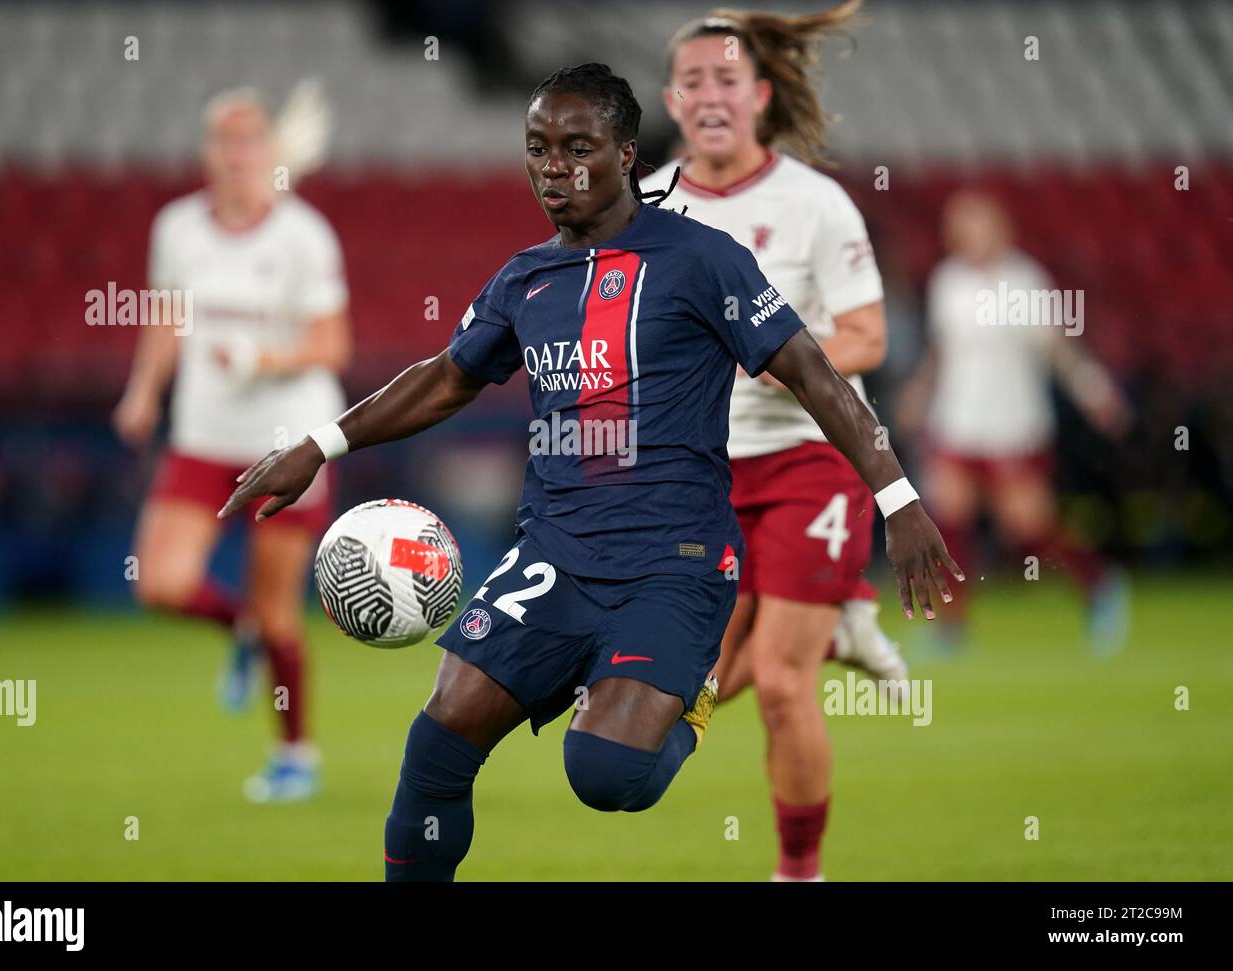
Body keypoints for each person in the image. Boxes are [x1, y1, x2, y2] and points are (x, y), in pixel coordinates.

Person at [219, 63, 960, 881]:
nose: (555, 167)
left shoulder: (701, 259)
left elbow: (818, 376)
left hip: (672, 567)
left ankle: (699, 687)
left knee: (605, 777)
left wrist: (899, 499)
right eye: (539, 148)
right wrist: (317, 446)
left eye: (579, 148)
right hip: (557, 555)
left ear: (628, 155)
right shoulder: (525, 277)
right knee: (440, 732)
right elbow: (444, 378)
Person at [644, 1, 902, 881]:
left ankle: (800, 872)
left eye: (728, 77)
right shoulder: (643, 207)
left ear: (758, 94)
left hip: (812, 458)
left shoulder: (815, 204)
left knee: (782, 688)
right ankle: (834, 618)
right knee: (699, 678)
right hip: (698, 474)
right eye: (694, 80)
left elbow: (868, 336)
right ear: (672, 101)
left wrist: (781, 359)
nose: (711, 93)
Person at [113, 85, 351, 803]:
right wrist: (143, 392)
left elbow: (332, 344)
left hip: (288, 444)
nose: (238, 153)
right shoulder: (178, 227)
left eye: (251, 139)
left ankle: (295, 756)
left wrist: (258, 359)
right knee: (158, 583)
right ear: (208, 152)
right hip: (203, 433)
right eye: (225, 139)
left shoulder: (304, 235)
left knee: (279, 607)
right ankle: (238, 627)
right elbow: (167, 320)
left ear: (269, 152)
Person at [897, 188, 1131, 652]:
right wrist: (919, 395)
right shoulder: (949, 281)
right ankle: (950, 625)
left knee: (1028, 528)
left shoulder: (1025, 282)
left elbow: (1058, 348)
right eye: (962, 226)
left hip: (1014, 424)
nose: (971, 235)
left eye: (979, 224)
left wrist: (1094, 391)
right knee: (948, 518)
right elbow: (943, 351)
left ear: (1000, 229)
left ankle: (1099, 584)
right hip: (959, 420)